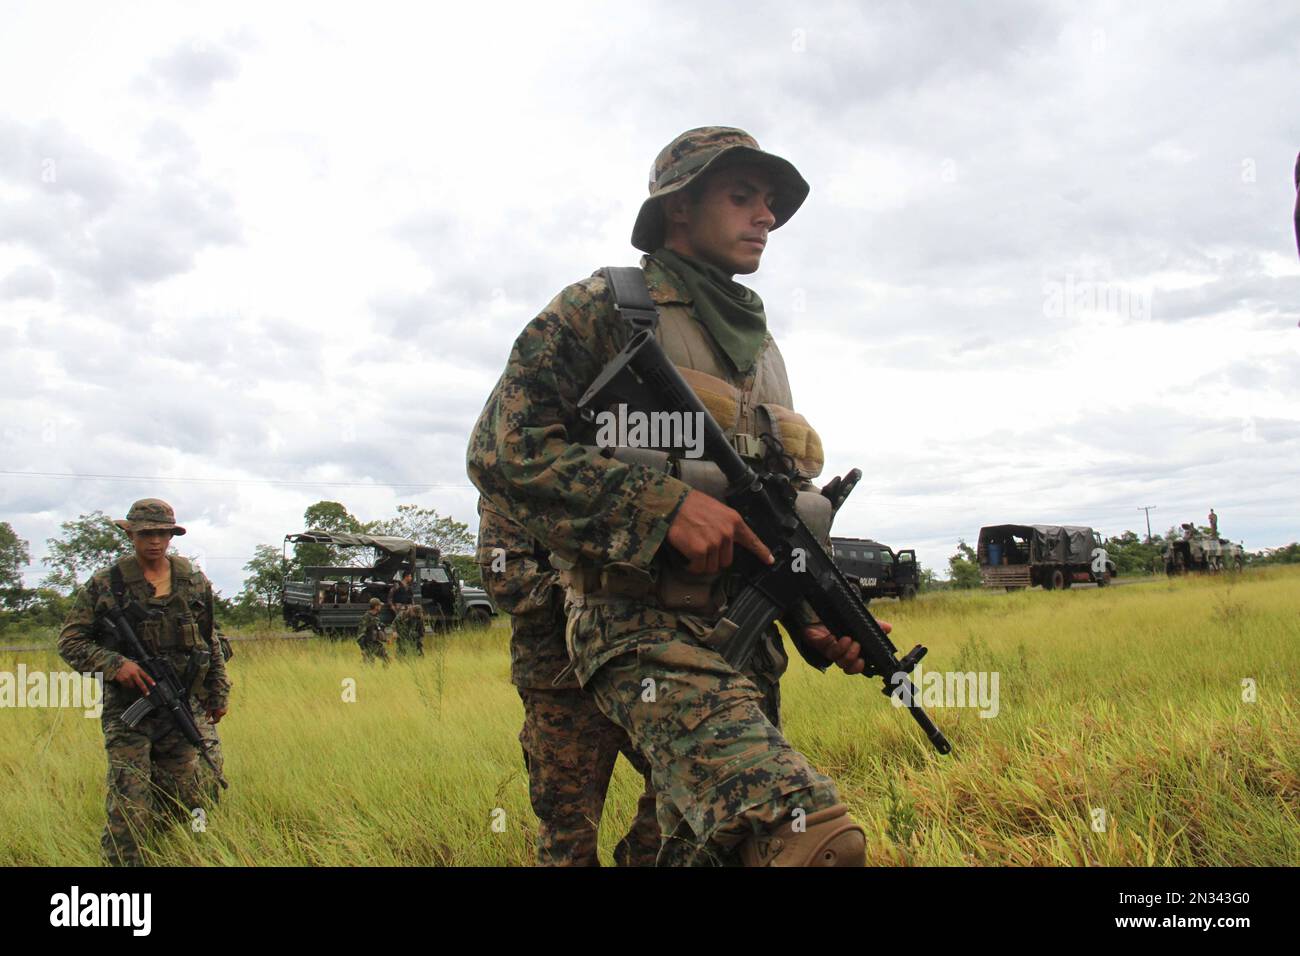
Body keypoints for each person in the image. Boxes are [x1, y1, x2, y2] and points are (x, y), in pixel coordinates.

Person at [468, 127, 872, 866]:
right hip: (638, 629)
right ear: (679, 209)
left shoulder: (761, 349)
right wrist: (661, 509)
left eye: (772, 203)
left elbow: (775, 514)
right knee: (813, 842)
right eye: (742, 196)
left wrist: (812, 616)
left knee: (693, 855)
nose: (767, 217)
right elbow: (502, 449)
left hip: (743, 648)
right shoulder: (606, 307)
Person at [477, 501, 659, 866]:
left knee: (685, 789)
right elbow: (503, 576)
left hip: (642, 668)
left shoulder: (633, 467)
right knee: (570, 827)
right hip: (560, 680)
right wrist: (594, 596)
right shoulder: (517, 474)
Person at [57, 498, 230, 866]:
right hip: (128, 712)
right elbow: (70, 641)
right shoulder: (107, 584)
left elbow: (209, 638)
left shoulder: (193, 580)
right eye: (147, 533)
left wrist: (217, 691)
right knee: (129, 802)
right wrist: (115, 664)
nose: (155, 541)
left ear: (172, 535)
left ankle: (180, 854)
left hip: (180, 705)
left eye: (162, 533)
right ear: (131, 535)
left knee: (187, 796)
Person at [388, 571, 424, 657]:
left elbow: (411, 599)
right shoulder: (397, 586)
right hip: (399, 607)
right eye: (410, 576)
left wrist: (413, 607)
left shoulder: (409, 587)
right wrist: (392, 606)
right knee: (401, 625)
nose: (411, 578)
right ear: (406, 577)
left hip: (409, 608)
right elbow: (390, 596)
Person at [357, 597, 390, 664]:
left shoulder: (376, 617)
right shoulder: (366, 617)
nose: (381, 607)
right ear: (376, 607)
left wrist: (386, 639)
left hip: (375, 643)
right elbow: (360, 634)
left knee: (387, 660)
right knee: (369, 664)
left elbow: (378, 629)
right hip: (368, 644)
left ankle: (384, 673)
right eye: (379, 605)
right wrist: (363, 649)